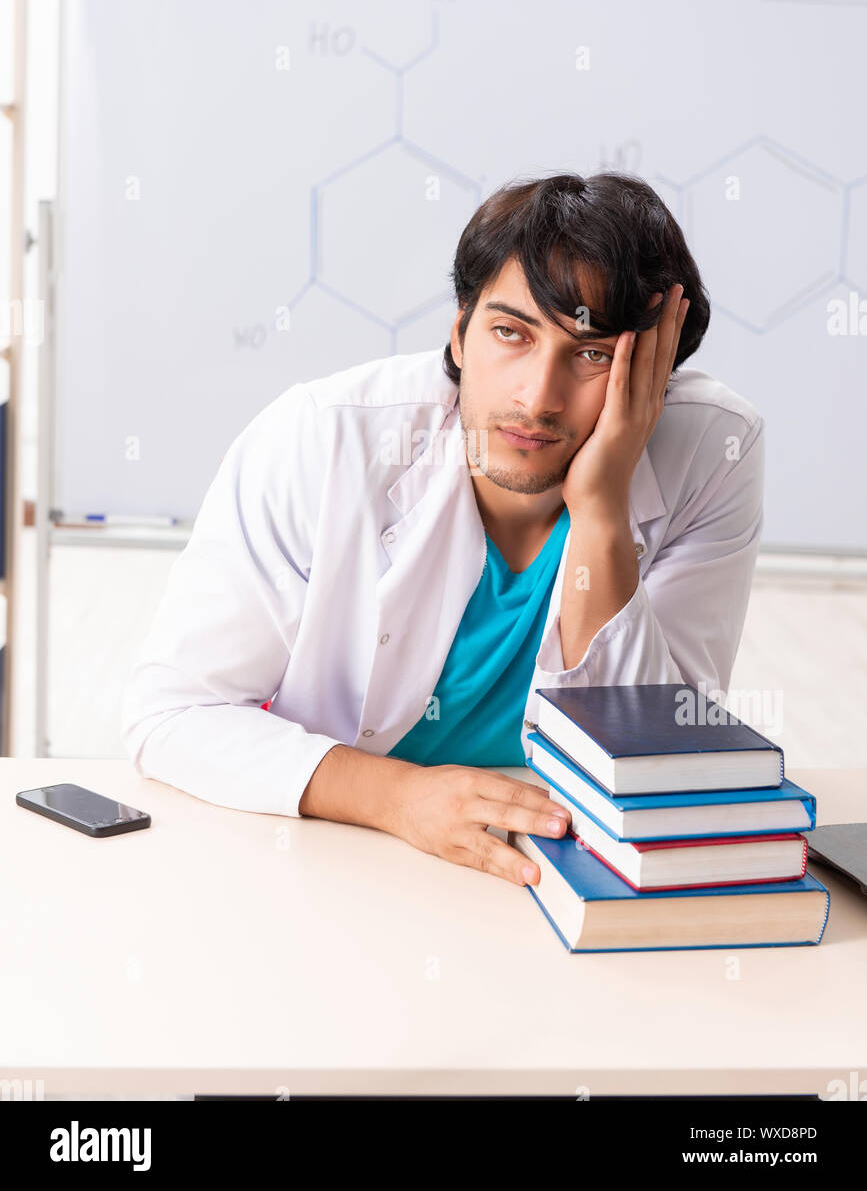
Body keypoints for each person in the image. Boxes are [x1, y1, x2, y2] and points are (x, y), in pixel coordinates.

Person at [121, 172, 764, 890]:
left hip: (554, 877)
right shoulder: (323, 437)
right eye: (509, 333)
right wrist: (396, 798)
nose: (536, 397)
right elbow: (174, 715)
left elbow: (655, 762)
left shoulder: (714, 450)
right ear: (459, 334)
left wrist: (602, 507)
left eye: (591, 353)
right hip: (328, 855)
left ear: (656, 373)